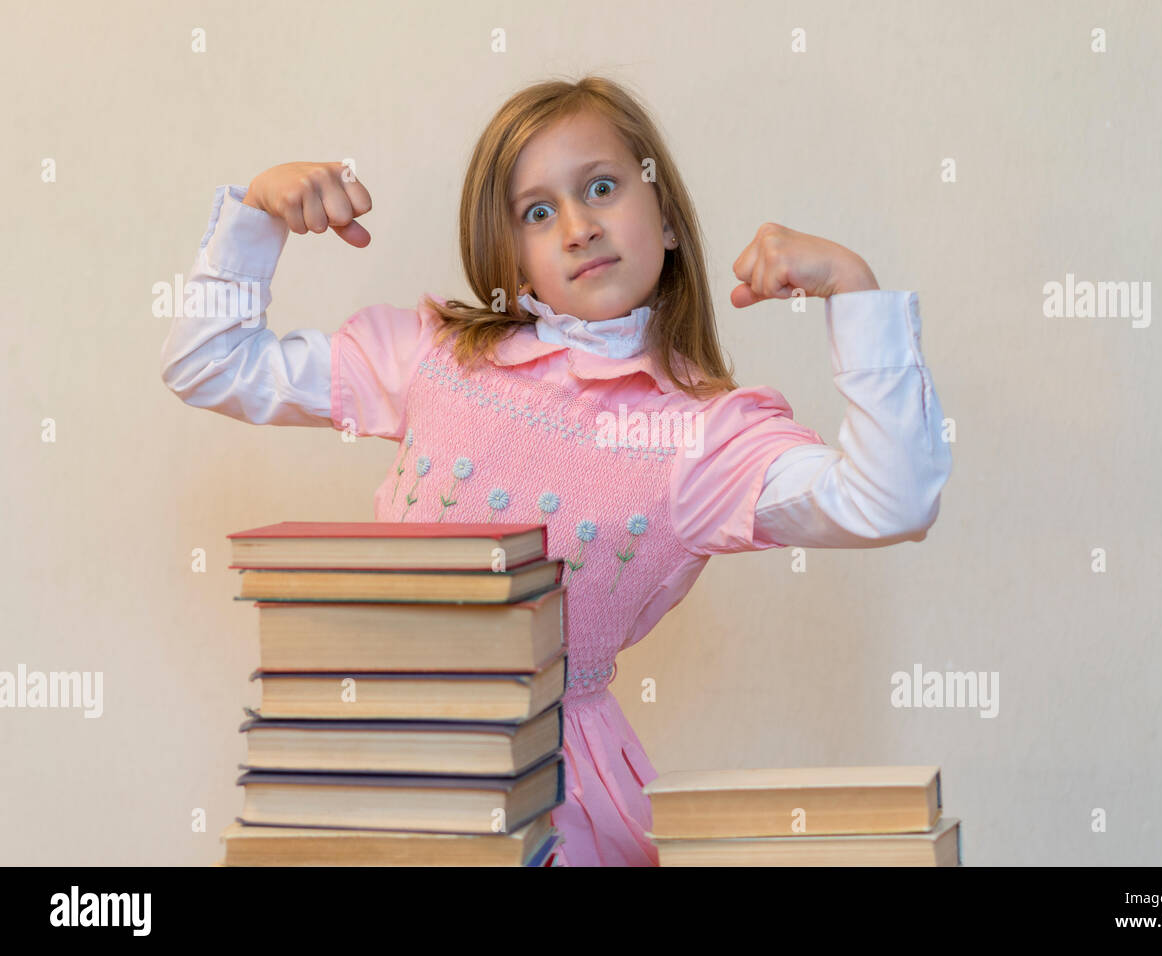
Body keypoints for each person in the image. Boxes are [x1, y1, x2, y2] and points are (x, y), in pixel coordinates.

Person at [160, 75, 952, 866]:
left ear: (667, 216)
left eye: (602, 187)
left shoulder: (702, 438)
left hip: (555, 796)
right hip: (378, 759)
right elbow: (209, 363)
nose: (578, 227)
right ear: (510, 255)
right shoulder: (437, 357)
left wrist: (854, 294)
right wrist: (260, 218)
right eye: (538, 212)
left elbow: (891, 502)